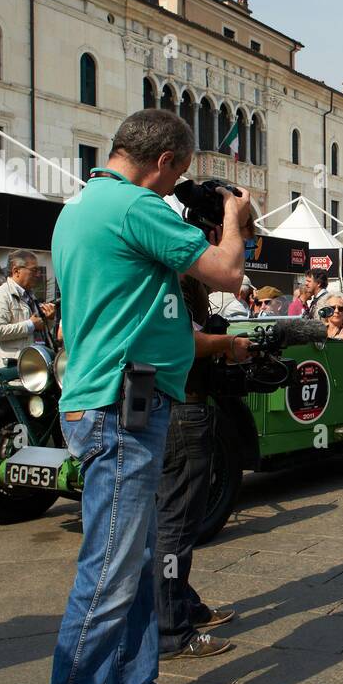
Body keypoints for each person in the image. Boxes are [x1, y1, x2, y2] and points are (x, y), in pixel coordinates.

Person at [38, 108, 248, 684]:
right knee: (106, 576)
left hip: (112, 401)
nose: (175, 184)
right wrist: (234, 220)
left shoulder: (82, 208)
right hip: (121, 410)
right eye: (178, 172)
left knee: (134, 561)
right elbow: (228, 272)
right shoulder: (133, 207)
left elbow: (143, 315)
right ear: (164, 163)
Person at [154, 272, 253, 662]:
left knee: (173, 524)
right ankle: (170, 630)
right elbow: (184, 341)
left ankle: (183, 605)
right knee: (175, 527)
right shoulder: (169, 287)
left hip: (172, 406)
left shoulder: (160, 285)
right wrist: (227, 343)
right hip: (181, 408)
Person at [0, 250, 56, 364]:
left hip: (33, 367)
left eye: (39, 270)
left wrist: (49, 318)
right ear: (16, 271)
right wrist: (30, 324)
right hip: (12, 371)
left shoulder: (30, 296)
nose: (38, 274)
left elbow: (40, 328)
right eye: (34, 270)